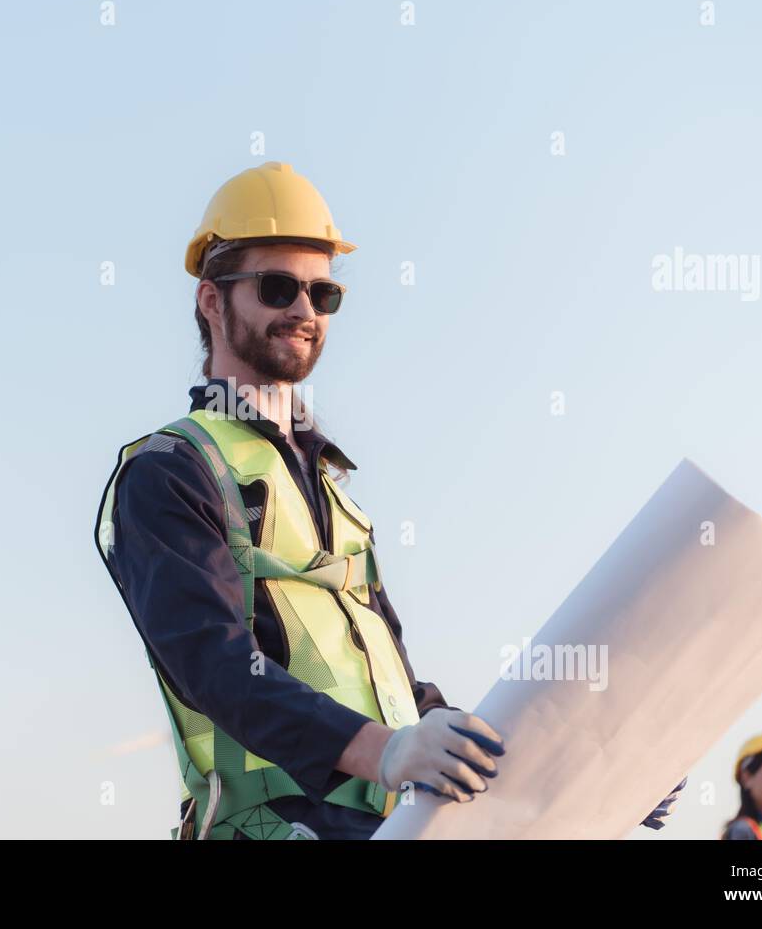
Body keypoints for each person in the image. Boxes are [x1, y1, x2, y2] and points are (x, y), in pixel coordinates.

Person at [95, 161, 679, 839]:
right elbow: (216, 668)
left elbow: (406, 695)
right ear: (211, 301)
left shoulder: (332, 489)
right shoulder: (171, 470)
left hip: (384, 824)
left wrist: (580, 773)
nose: (305, 311)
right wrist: (387, 752)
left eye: (323, 294)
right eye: (277, 286)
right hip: (272, 826)